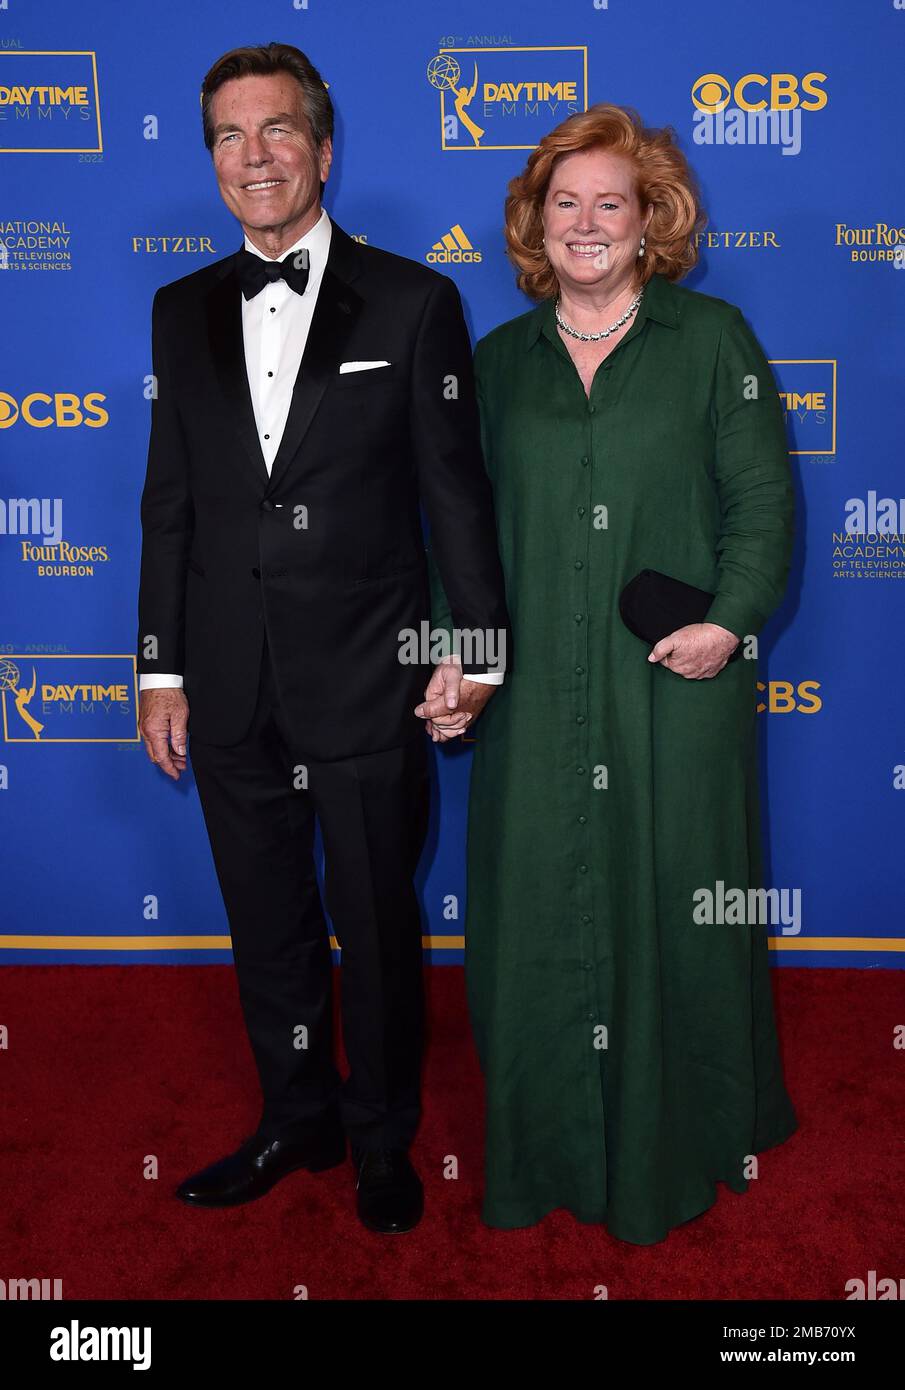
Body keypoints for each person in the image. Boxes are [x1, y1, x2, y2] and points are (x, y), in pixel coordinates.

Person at [136, 42, 509, 1234]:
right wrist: (160, 662)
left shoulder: (413, 302)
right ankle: (294, 1116)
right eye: (229, 137)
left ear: (323, 147)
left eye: (277, 131)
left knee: (379, 929)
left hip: (367, 681)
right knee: (269, 925)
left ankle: (381, 1139)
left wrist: (478, 645)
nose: (254, 157)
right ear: (211, 159)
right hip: (230, 681)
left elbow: (455, 494)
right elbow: (171, 500)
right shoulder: (179, 308)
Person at [420, 104, 798, 1244]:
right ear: (536, 222)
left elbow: (762, 501)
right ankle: (542, 1151)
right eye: (564, 202)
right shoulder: (493, 364)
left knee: (677, 909)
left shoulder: (711, 339)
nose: (585, 223)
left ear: (650, 224)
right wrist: (461, 659)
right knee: (533, 913)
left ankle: (684, 1138)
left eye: (611, 205)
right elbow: (460, 537)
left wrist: (728, 624)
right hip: (532, 702)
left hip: (668, 689)